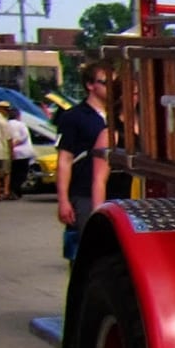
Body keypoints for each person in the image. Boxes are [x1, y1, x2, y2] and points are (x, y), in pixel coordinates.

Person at [57, 61, 115, 244]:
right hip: (84, 193)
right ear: (90, 85)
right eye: (106, 83)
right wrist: (63, 200)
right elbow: (64, 160)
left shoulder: (121, 116)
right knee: (92, 244)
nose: (113, 88)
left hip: (117, 190)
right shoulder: (73, 117)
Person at [6, 103, 33, 197]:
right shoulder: (21, 125)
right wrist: (16, 142)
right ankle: (16, 190)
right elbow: (25, 136)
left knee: (13, 172)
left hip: (10, 152)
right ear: (18, 115)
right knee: (22, 173)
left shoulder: (6, 124)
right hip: (23, 152)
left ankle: (12, 189)